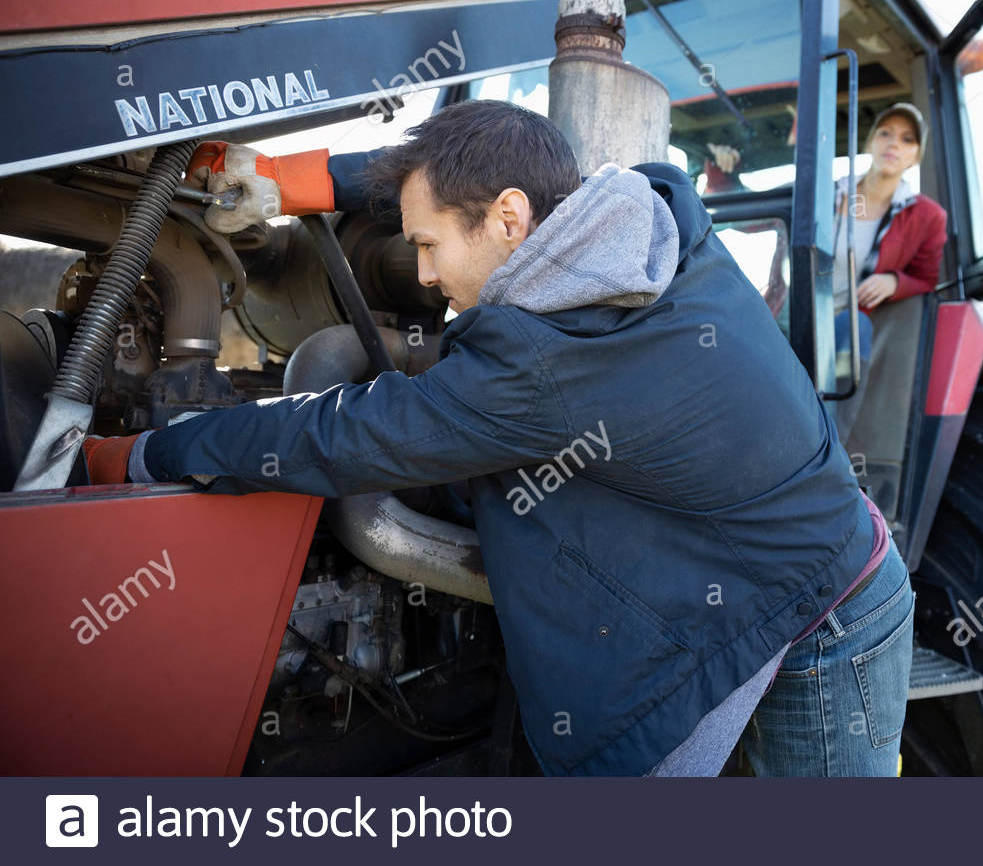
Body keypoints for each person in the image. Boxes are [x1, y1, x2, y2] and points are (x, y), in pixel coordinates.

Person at [80, 99, 913, 777]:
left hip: (825, 619)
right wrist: (302, 180)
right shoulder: (644, 224)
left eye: (430, 247)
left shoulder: (544, 361)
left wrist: (153, 452)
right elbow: (481, 164)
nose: (429, 277)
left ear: (510, 219)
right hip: (789, 563)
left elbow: (341, 435)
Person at [832, 102, 948, 378]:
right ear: (871, 141)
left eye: (907, 139)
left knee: (854, 326)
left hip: (848, 333)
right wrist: (721, 174)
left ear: (916, 156)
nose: (894, 143)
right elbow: (757, 215)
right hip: (794, 317)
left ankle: (835, 420)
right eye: (886, 133)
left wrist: (894, 282)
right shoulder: (825, 192)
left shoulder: (927, 216)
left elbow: (926, 279)